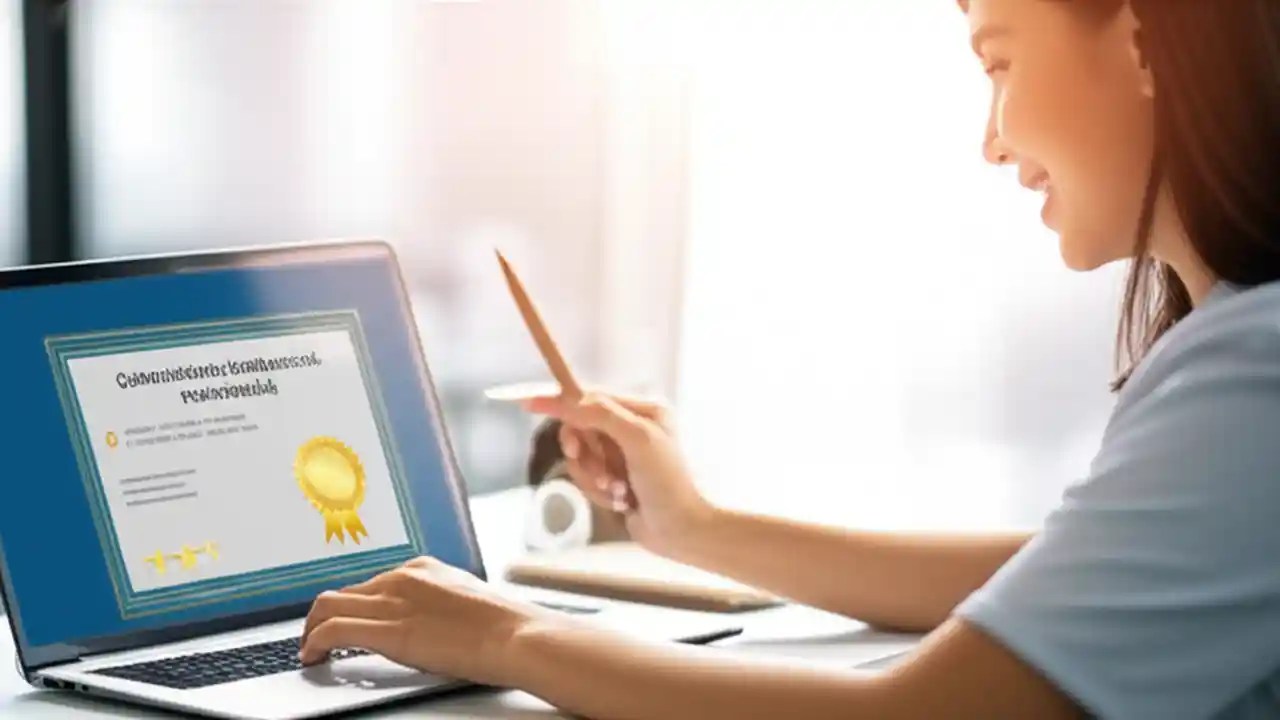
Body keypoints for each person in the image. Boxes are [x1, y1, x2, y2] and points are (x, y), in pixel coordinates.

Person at [297, 0, 1280, 717]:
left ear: (1144, 36)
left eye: (998, 65)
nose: (990, 140)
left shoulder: (1252, 368)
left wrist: (503, 636)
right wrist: (696, 528)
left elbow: (916, 717)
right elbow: (1043, 581)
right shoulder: (1241, 341)